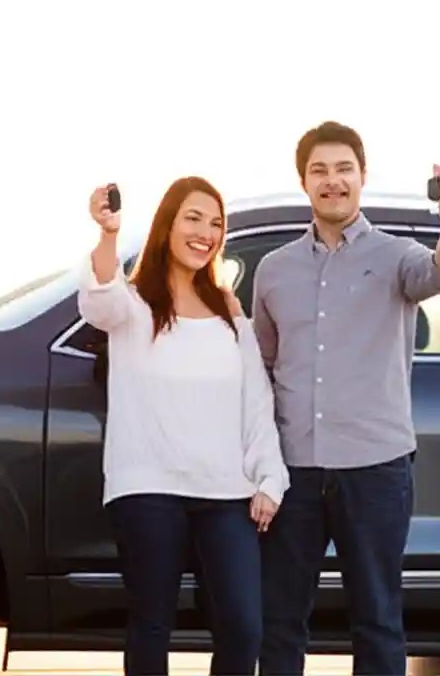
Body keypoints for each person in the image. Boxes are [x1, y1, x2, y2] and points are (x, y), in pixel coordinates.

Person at [253, 121, 440, 675]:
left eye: (343, 169)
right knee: (279, 619)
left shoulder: (397, 256)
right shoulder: (274, 270)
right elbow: (263, 366)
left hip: (375, 469)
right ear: (304, 181)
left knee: (376, 618)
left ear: (362, 176)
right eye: (320, 171)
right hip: (293, 470)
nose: (333, 181)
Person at [78, 175, 290, 676]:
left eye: (216, 223)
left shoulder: (229, 314)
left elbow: (255, 402)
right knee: (152, 623)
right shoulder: (133, 306)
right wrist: (108, 234)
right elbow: (99, 299)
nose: (206, 232)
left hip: (226, 493)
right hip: (148, 487)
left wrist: (269, 477)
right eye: (193, 218)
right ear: (167, 226)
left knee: (242, 626)